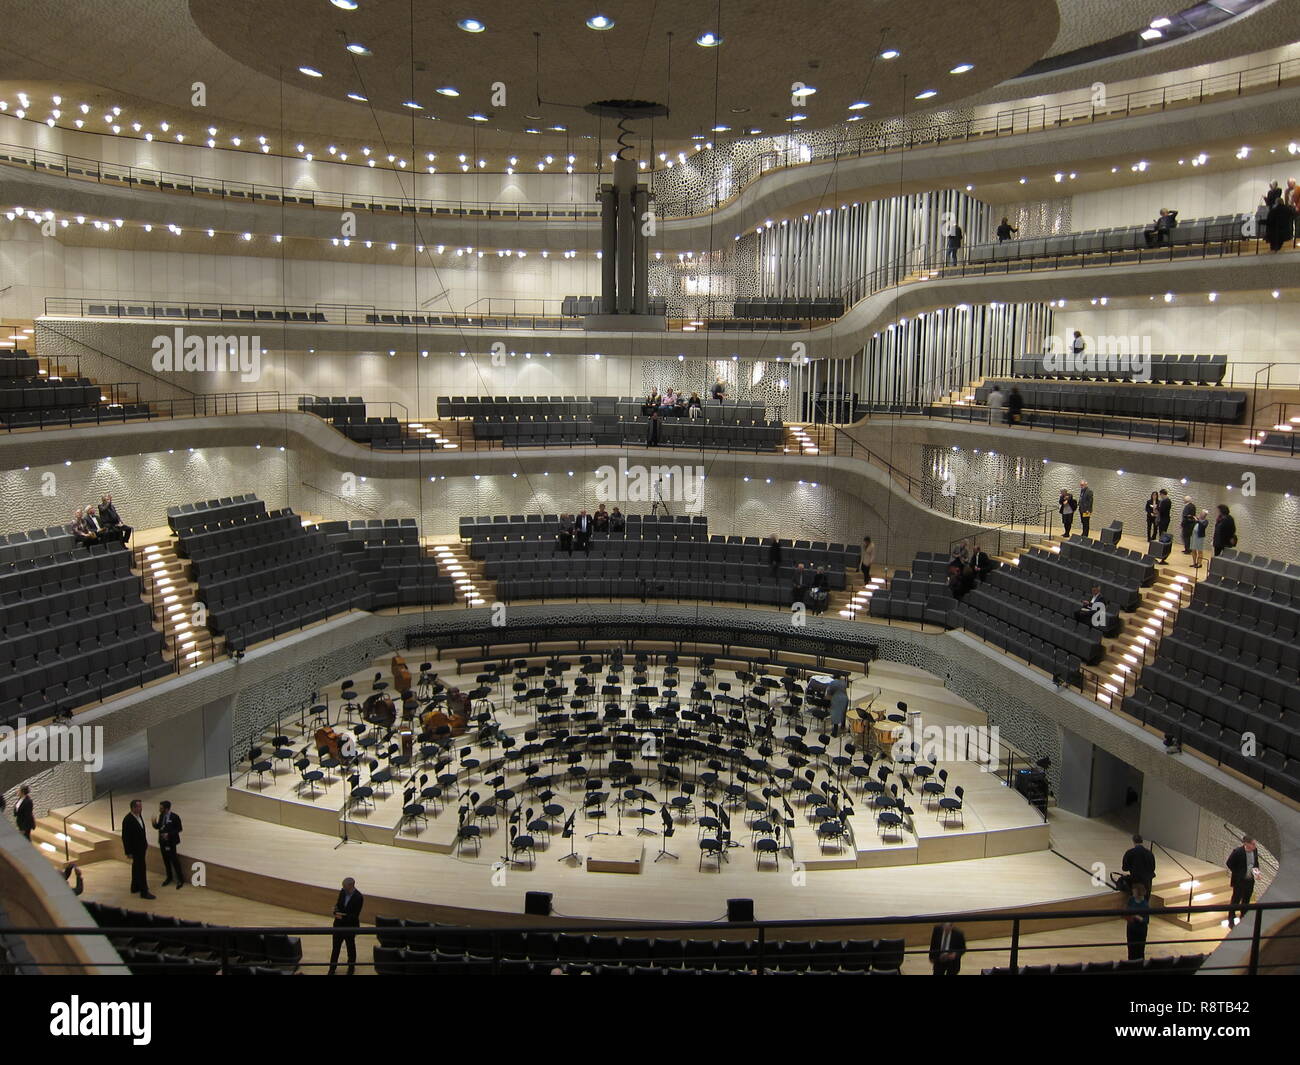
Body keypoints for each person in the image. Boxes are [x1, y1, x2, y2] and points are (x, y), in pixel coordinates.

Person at [328, 877, 364, 975]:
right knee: (335, 948)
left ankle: (351, 968)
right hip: (338, 926)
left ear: (351, 885)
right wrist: (335, 910)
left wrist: (341, 916)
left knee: (350, 948)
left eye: (344, 886)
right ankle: (332, 969)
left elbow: (354, 915)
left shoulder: (358, 897)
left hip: (350, 927)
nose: (342, 887)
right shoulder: (343, 892)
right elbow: (338, 904)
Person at [121, 799, 155, 899]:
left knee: (136, 867)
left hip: (141, 847)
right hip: (135, 849)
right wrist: (128, 851)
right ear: (133, 808)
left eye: (141, 806)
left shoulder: (139, 816)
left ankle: (135, 886)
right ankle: (144, 892)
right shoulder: (128, 819)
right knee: (141, 869)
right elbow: (125, 837)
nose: (141, 808)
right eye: (139, 806)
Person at [1226, 837, 1259, 927]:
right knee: (1236, 900)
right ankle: (1231, 920)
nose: (1254, 846)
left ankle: (1243, 918)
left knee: (1246, 900)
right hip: (1239, 881)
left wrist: (1256, 874)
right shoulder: (1238, 852)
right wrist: (1238, 873)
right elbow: (1229, 863)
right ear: (1246, 844)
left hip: (1250, 880)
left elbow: (1255, 863)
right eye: (1252, 844)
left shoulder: (1255, 851)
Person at [153, 800, 184, 889]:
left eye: (161, 808)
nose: (159, 809)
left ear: (166, 809)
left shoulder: (175, 817)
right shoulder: (161, 816)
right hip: (162, 842)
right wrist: (154, 824)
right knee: (166, 860)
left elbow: (179, 829)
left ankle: (180, 879)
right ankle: (169, 877)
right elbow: (159, 826)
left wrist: (169, 834)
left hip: (171, 842)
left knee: (174, 860)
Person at [1125, 883, 1151, 960]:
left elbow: (1146, 920)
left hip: (1140, 930)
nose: (1133, 892)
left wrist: (1138, 917)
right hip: (1131, 928)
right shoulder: (1131, 900)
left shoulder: (1145, 905)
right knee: (1130, 949)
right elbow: (1127, 910)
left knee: (1139, 950)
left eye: (1134, 891)